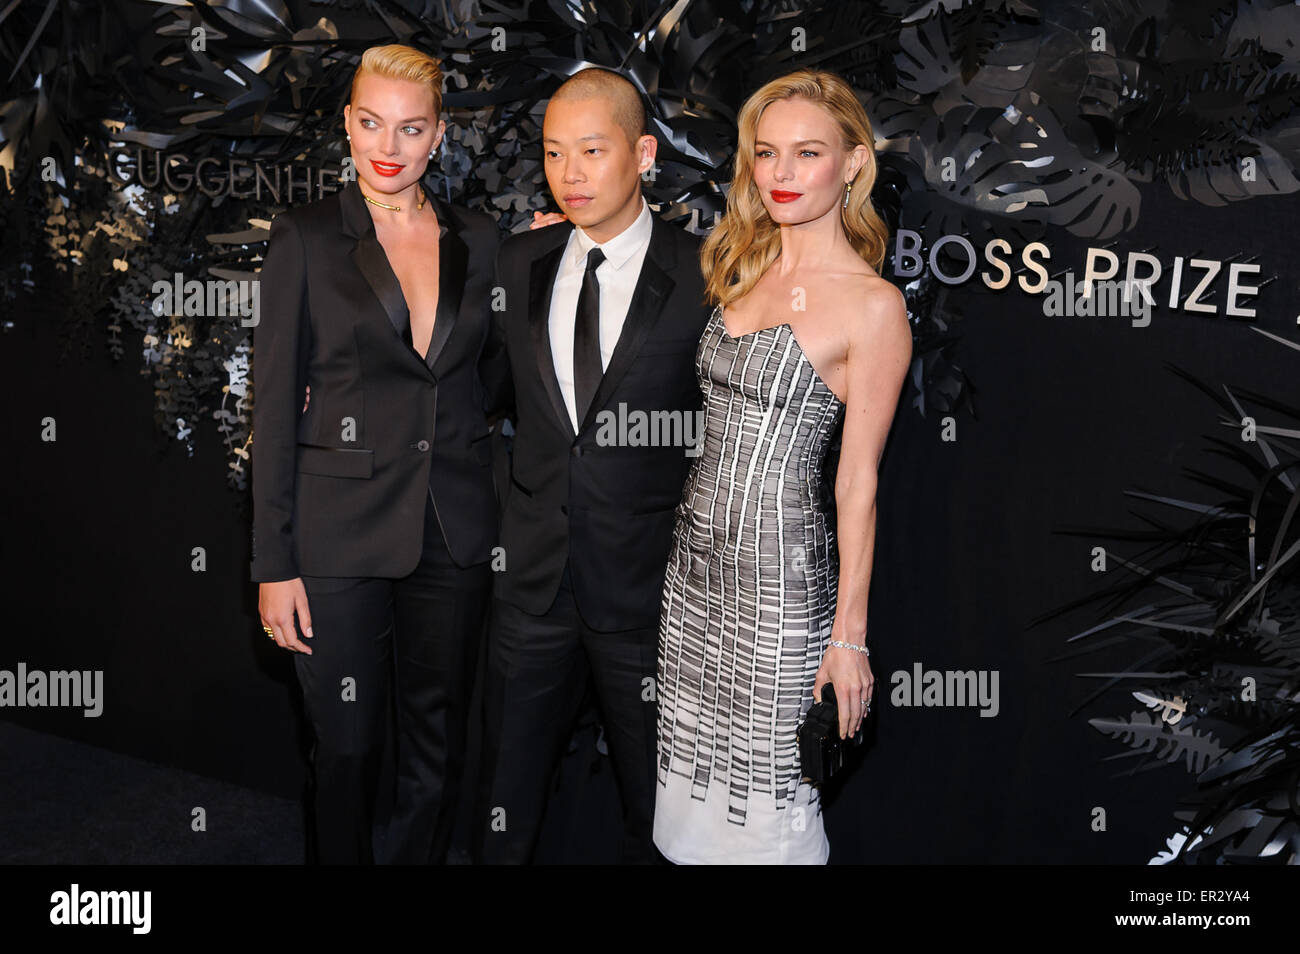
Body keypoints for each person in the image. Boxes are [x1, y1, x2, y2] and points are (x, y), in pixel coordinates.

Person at [653, 68, 912, 864]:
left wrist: (850, 640)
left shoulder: (873, 306)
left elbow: (858, 482)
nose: (783, 174)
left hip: (779, 581)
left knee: (770, 812)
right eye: (766, 154)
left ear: (854, 163)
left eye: (808, 153)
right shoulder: (740, 269)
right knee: (687, 805)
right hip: (692, 574)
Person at [251, 44, 499, 864]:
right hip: (336, 534)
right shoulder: (308, 237)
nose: (387, 147)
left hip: (452, 528)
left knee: (437, 752)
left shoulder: (480, 240)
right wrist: (273, 564)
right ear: (347, 124)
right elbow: (277, 406)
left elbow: (487, 384)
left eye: (410, 129)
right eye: (370, 124)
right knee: (349, 746)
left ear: (437, 138)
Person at [473, 67, 712, 864]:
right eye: (552, 153)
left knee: (662, 818)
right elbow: (486, 400)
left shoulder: (708, 274)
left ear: (643, 153)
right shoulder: (519, 263)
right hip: (531, 589)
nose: (569, 173)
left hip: (651, 596)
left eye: (592, 150)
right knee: (503, 804)